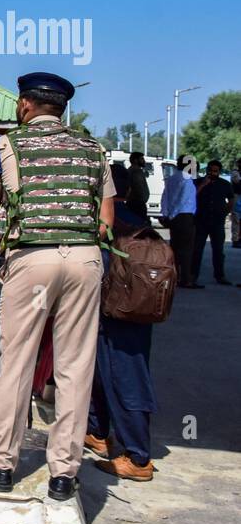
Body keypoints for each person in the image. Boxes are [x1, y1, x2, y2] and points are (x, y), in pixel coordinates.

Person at [0, 72, 115, 502]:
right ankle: (63, 474)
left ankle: (1, 464)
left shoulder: (3, 147)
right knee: (74, 365)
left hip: (30, 259)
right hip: (84, 259)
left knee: (17, 361)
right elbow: (106, 222)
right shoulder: (94, 149)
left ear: (24, 105)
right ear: (63, 108)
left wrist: (11, 250)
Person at [85, 165, 157, 482]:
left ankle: (138, 457)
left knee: (124, 377)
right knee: (102, 373)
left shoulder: (109, 224)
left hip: (117, 314)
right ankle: (97, 432)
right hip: (138, 311)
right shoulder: (141, 221)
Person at [191, 159, 235, 285]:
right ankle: (193, 275)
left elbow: (231, 199)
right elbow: (191, 196)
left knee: (218, 250)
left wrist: (225, 212)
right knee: (197, 249)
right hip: (201, 220)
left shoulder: (224, 184)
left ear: (219, 172)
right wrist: (203, 185)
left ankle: (220, 275)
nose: (212, 173)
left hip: (217, 221)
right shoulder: (198, 182)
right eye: (210, 170)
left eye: (215, 171)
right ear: (206, 170)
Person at [159, 156, 198, 289]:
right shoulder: (187, 179)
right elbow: (182, 200)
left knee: (175, 248)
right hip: (184, 216)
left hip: (174, 217)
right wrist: (174, 214)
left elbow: (165, 196)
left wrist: (166, 214)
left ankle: (174, 277)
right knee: (186, 249)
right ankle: (186, 279)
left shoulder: (172, 178)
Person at [126, 151, 150, 220]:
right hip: (137, 204)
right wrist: (142, 200)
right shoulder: (136, 172)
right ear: (136, 160)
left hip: (133, 203)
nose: (144, 161)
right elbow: (139, 188)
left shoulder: (130, 171)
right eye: (142, 159)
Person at [230, 158, 241, 250]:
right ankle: (235, 239)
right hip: (237, 197)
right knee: (236, 219)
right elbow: (238, 182)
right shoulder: (235, 173)